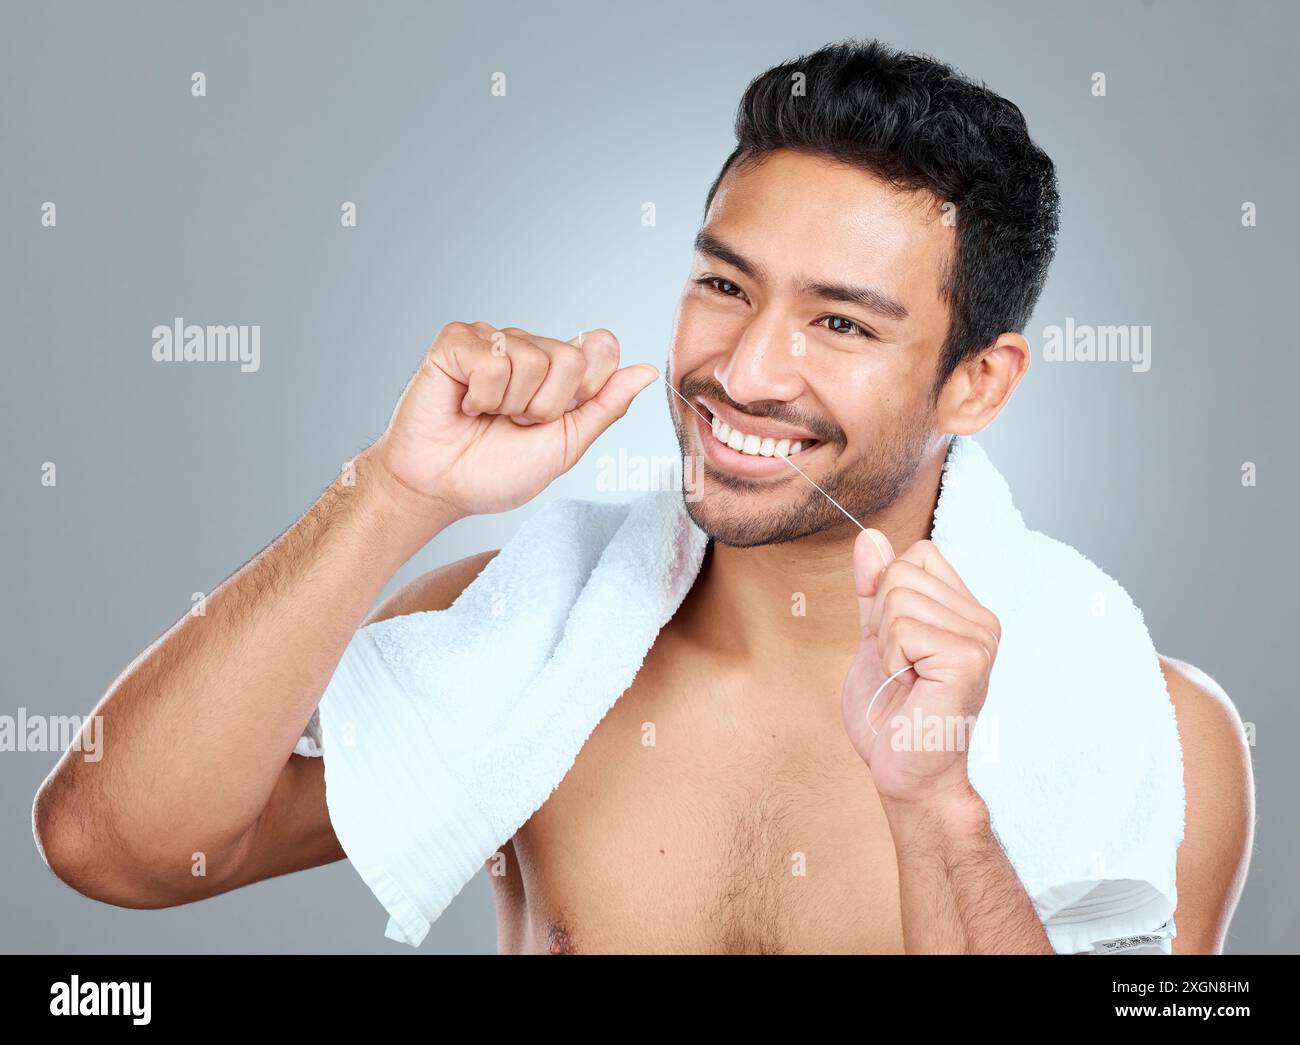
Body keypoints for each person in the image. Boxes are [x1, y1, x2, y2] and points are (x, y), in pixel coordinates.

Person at [33, 39, 1253, 954]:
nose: (744, 369)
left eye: (838, 320)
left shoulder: (1154, 729)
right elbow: (112, 848)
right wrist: (395, 493)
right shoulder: (529, 630)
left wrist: (935, 808)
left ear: (976, 382)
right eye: (726, 286)